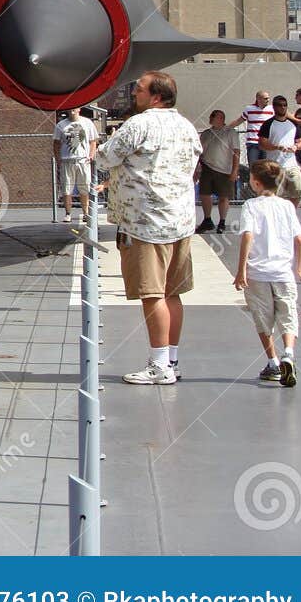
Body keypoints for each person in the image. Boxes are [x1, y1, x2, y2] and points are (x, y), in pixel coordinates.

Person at [95, 70, 203, 385]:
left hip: (145, 223)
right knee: (173, 292)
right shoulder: (186, 126)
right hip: (180, 221)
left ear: (156, 96)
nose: (134, 94)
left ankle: (159, 366)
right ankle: (171, 359)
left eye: (139, 89)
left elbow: (104, 158)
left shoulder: (139, 124)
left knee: (152, 293)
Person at [235, 161, 301, 387]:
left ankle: (273, 361)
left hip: (258, 272)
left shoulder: (251, 205)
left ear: (256, 183)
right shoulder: (287, 206)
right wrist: (299, 267)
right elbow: (299, 238)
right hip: (283, 272)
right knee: (288, 314)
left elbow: (248, 235)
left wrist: (241, 269)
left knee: (263, 319)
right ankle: (288, 352)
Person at [257, 96, 301, 208]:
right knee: (277, 195)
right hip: (275, 165)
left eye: (285, 105)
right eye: (280, 105)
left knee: (297, 191)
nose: (283, 107)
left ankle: (291, 214)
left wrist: (295, 146)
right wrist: (277, 147)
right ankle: (278, 217)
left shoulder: (293, 124)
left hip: (291, 165)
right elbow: (262, 144)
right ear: (274, 107)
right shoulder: (268, 124)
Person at [195, 109, 241, 233]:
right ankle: (207, 219)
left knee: (224, 196)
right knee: (204, 194)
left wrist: (235, 170)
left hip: (225, 169)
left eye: (214, 117)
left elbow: (236, 151)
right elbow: (199, 153)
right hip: (207, 167)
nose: (211, 118)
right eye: (212, 116)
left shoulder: (230, 133)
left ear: (221, 118)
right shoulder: (206, 134)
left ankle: (222, 222)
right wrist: (196, 170)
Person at [52, 107, 98, 223]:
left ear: (79, 109)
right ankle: (68, 213)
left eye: (75, 107)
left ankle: (86, 213)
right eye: (70, 108)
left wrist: (91, 155)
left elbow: (93, 141)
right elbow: (56, 143)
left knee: (85, 188)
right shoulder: (61, 125)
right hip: (67, 160)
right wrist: (58, 159)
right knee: (67, 188)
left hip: (83, 161)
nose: (72, 110)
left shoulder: (87, 123)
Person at [237, 90, 274, 192]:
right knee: (253, 168)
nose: (268, 100)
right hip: (252, 143)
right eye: (265, 98)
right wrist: (226, 129)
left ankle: (266, 190)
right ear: (258, 99)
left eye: (268, 98)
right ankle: (254, 191)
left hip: (266, 143)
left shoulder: (272, 109)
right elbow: (239, 120)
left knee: (267, 168)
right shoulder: (249, 109)